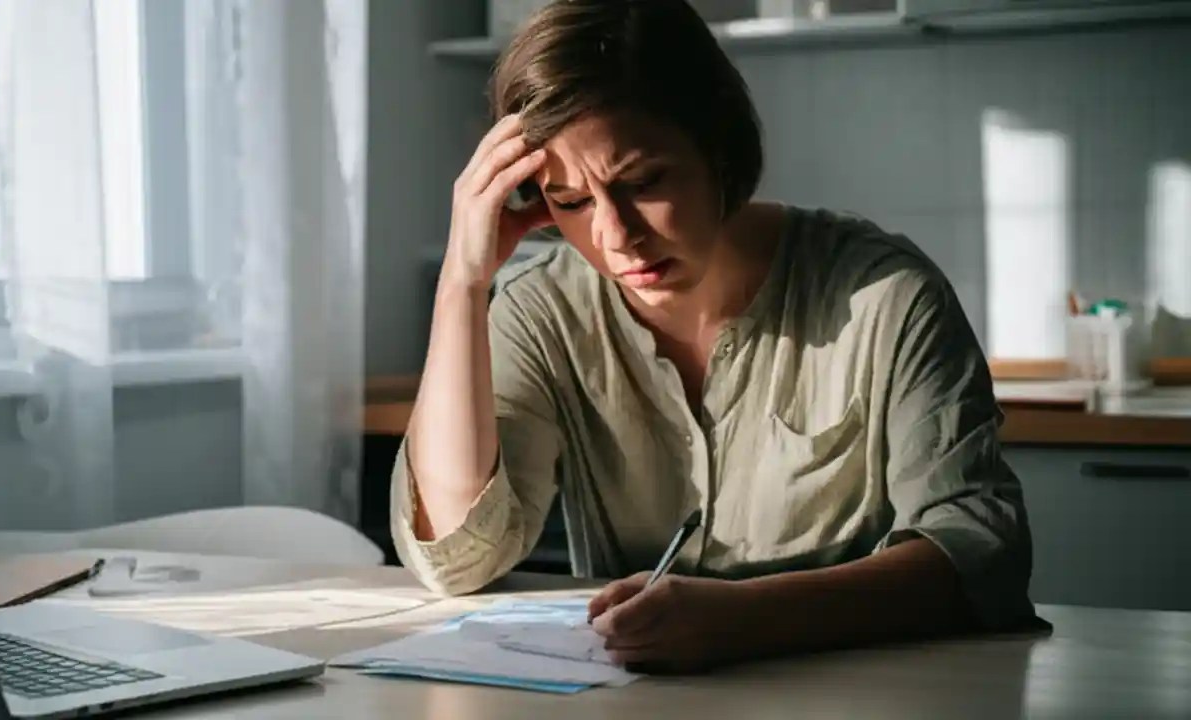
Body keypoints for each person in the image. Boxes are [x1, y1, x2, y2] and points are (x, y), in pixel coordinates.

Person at [390, 0, 1035, 673]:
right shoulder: (542, 310)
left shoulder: (886, 297)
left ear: (718, 147)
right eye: (571, 201)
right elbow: (458, 559)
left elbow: (982, 555)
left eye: (642, 182)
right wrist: (463, 282)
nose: (614, 236)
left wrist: (746, 618)